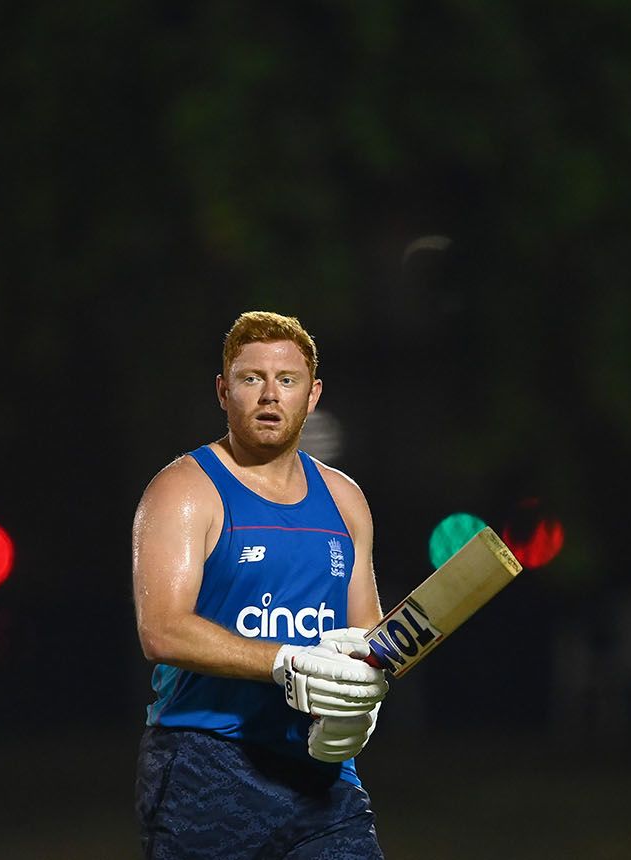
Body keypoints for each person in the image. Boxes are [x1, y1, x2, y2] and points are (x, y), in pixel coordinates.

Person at [132, 311, 389, 858]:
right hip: (205, 762)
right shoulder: (183, 490)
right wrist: (288, 663)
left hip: (321, 769)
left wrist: (359, 700)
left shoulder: (345, 500)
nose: (270, 395)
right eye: (252, 379)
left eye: (287, 380)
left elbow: (367, 630)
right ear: (224, 391)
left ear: (312, 394)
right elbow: (163, 631)